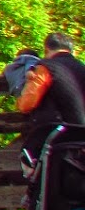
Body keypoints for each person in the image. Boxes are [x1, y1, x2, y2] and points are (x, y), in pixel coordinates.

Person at [16, 33, 85, 162]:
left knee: (27, 157)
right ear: (72, 51)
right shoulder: (82, 67)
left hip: (57, 136)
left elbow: (26, 105)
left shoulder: (45, 68)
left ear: (46, 49)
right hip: (81, 136)